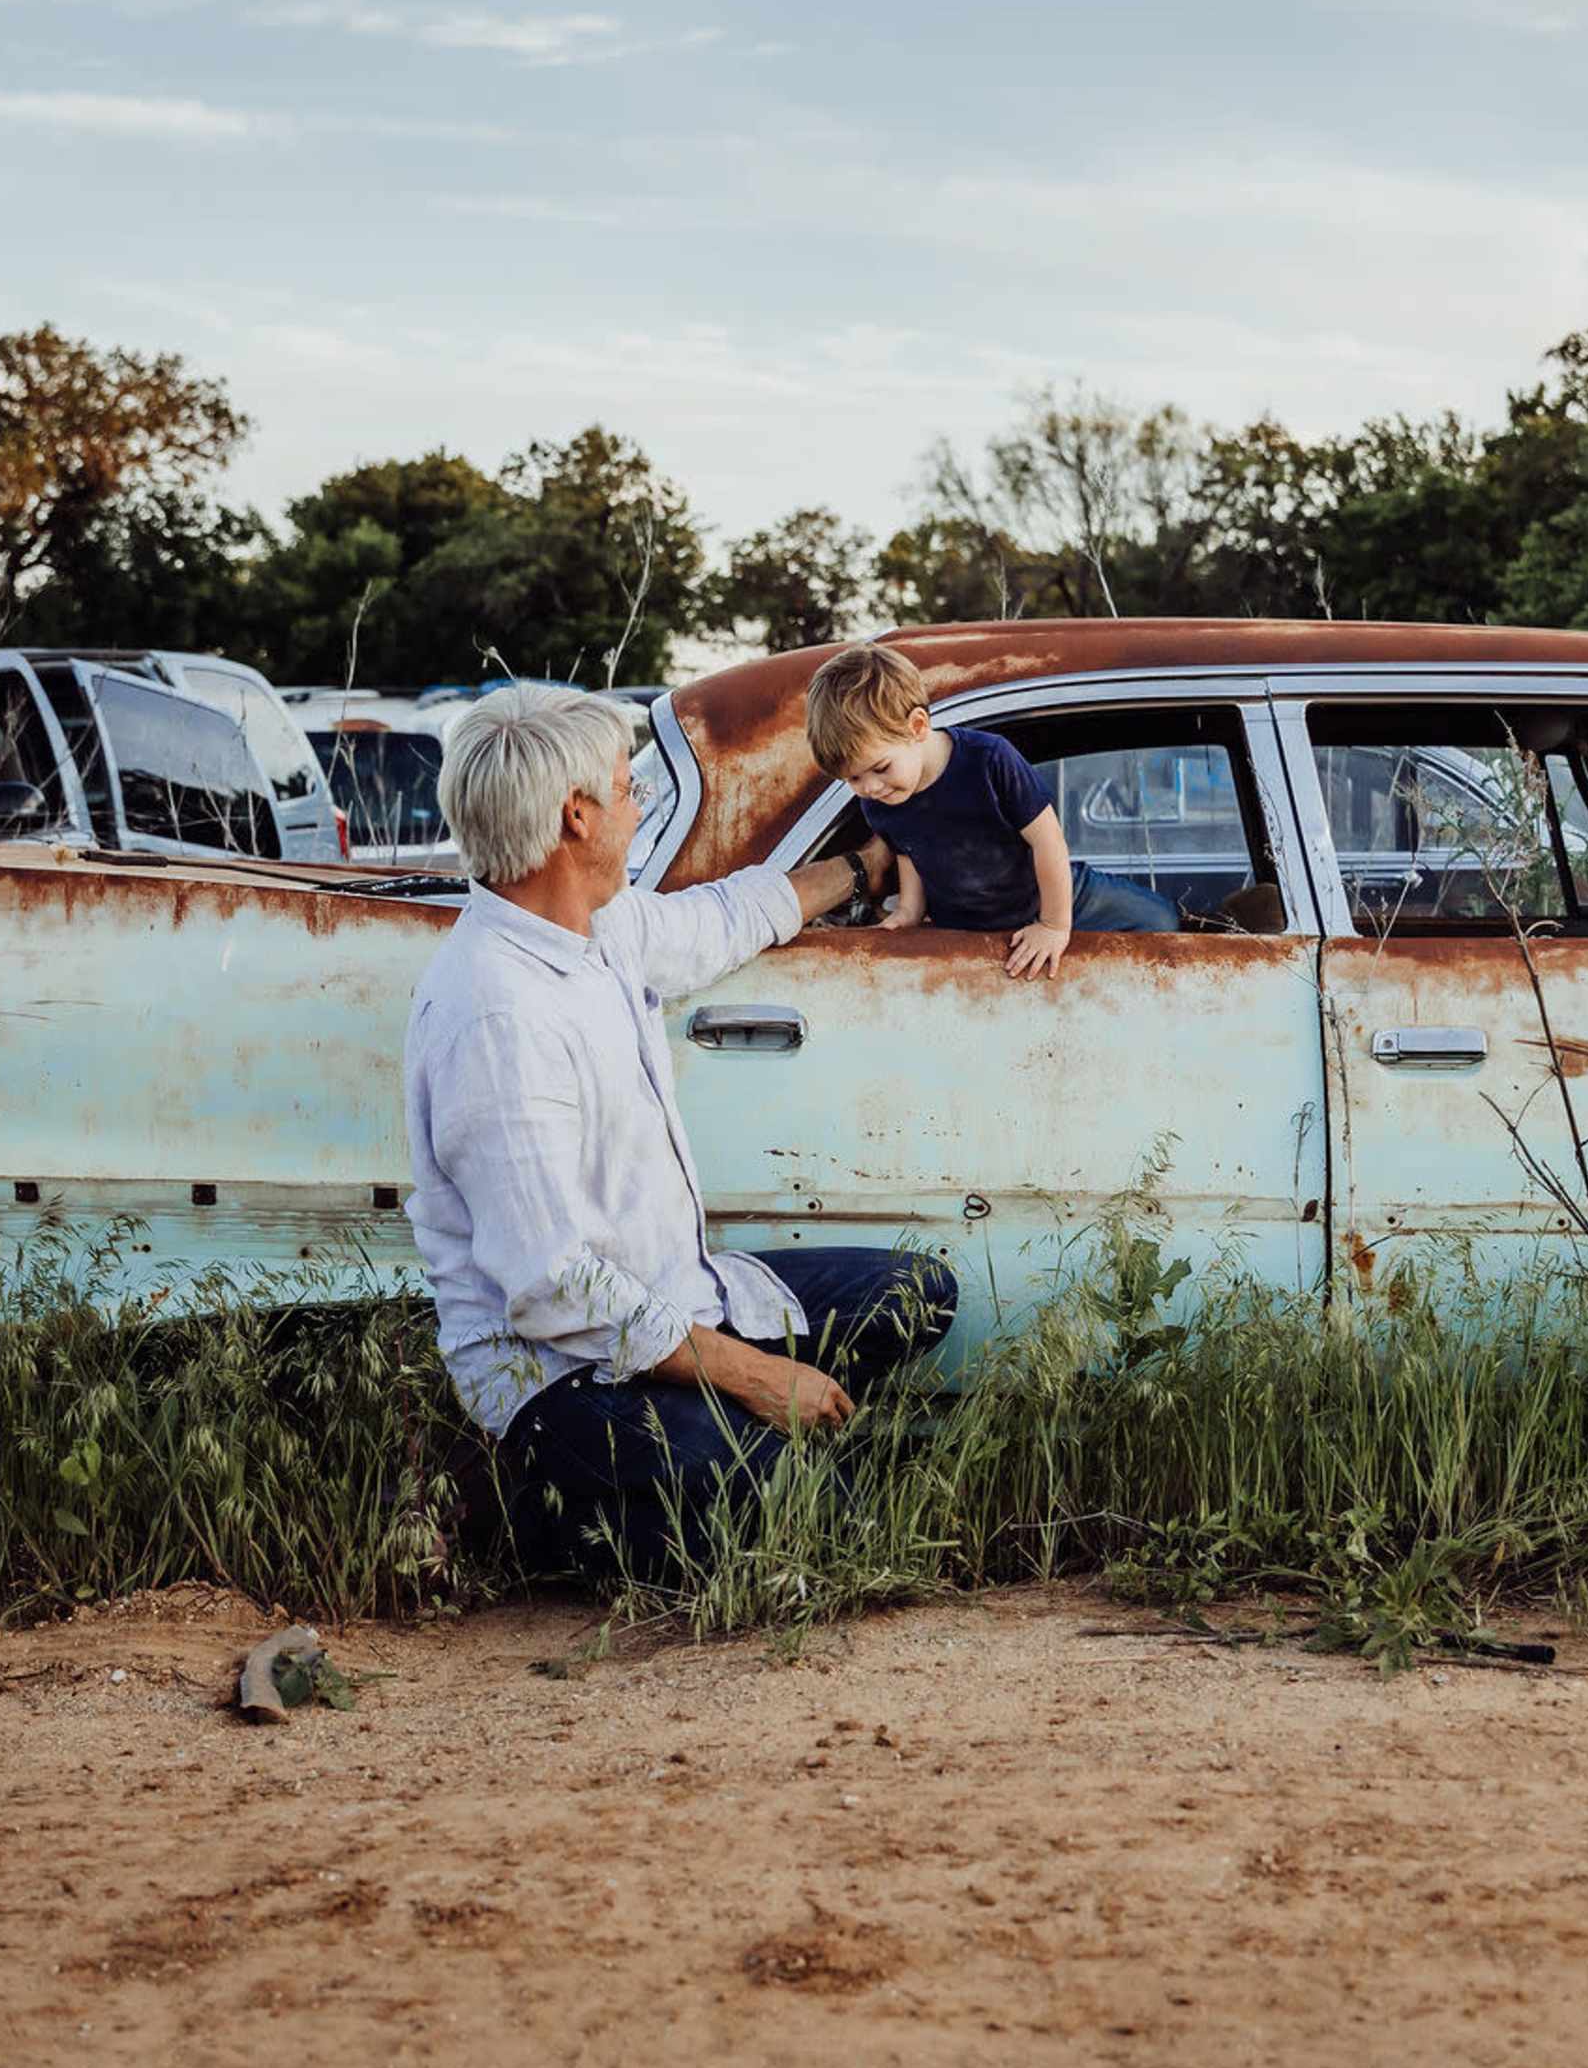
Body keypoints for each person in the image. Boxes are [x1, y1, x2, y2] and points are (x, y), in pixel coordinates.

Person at [402, 684, 953, 1566]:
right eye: (627, 789)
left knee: (916, 1292)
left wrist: (861, 869)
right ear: (576, 818)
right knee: (821, 1513)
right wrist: (762, 1378)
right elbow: (554, 1289)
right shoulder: (495, 1013)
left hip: (673, 1302)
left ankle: (704, 1451)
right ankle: (541, 1520)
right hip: (565, 1379)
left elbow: (726, 917)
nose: (640, 802)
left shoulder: (595, 926)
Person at [805, 640, 1177, 978]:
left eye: (880, 768)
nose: (869, 787)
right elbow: (907, 849)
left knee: (1163, 921)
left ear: (917, 727)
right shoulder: (880, 800)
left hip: (1054, 896)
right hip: (970, 923)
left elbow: (1048, 842)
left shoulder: (989, 760)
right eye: (852, 779)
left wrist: (1053, 925)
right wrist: (909, 910)